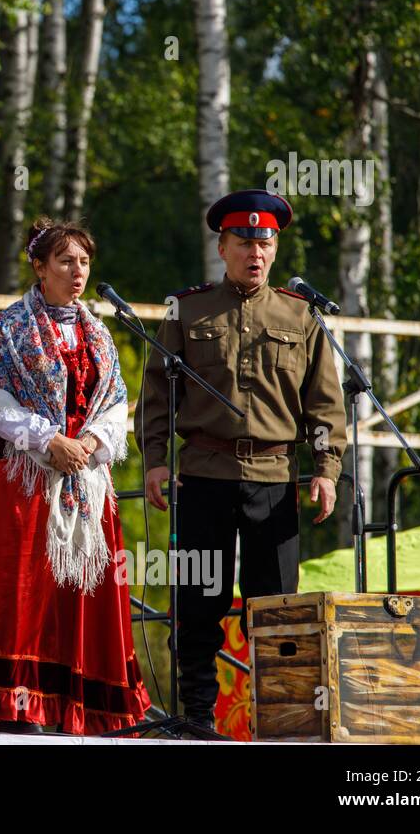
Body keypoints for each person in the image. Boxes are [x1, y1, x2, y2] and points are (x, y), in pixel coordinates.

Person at [135, 189, 346, 729]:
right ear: (223, 247)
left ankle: (278, 718)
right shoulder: (188, 308)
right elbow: (158, 392)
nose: (256, 251)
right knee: (199, 603)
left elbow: (324, 403)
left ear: (275, 250)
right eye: (245, 241)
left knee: (276, 611)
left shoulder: (300, 315)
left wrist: (326, 470)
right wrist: (155, 460)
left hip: (274, 480)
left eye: (266, 242)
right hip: (203, 477)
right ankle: (198, 719)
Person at [0, 218, 150, 734]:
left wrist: (91, 444)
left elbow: (117, 401)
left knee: (82, 595)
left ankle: (79, 708)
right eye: (64, 261)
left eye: (83, 261)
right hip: (27, 482)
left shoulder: (99, 332)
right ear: (39, 268)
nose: (76, 271)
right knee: (24, 592)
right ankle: (17, 709)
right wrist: (48, 441)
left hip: (85, 481)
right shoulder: (8, 328)